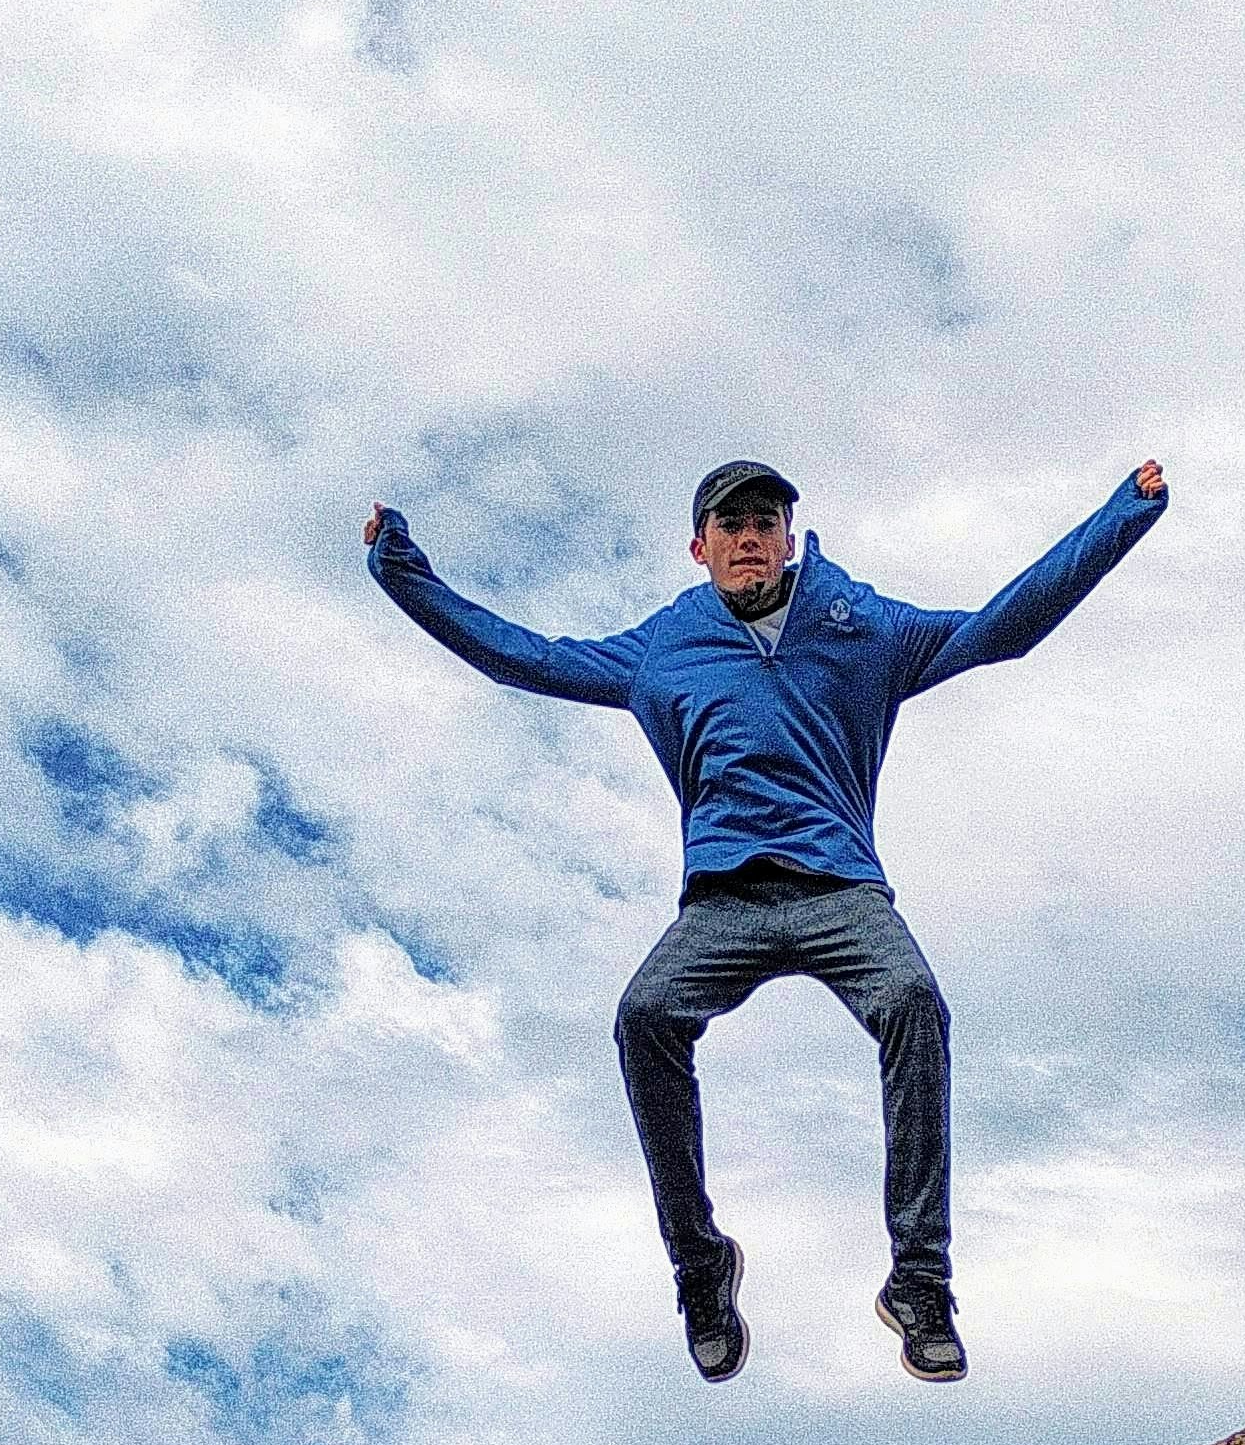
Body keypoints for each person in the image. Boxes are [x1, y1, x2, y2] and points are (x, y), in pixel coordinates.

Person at [362, 454, 1169, 1383]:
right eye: (731, 526)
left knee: (913, 1002)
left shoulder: (860, 624)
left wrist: (1123, 515)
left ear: (789, 537)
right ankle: (701, 1268)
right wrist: (401, 570)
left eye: (765, 523)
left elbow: (999, 630)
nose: (749, 538)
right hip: (724, 902)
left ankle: (920, 1280)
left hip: (840, 891)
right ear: (699, 546)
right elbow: (527, 657)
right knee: (645, 1017)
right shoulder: (663, 646)